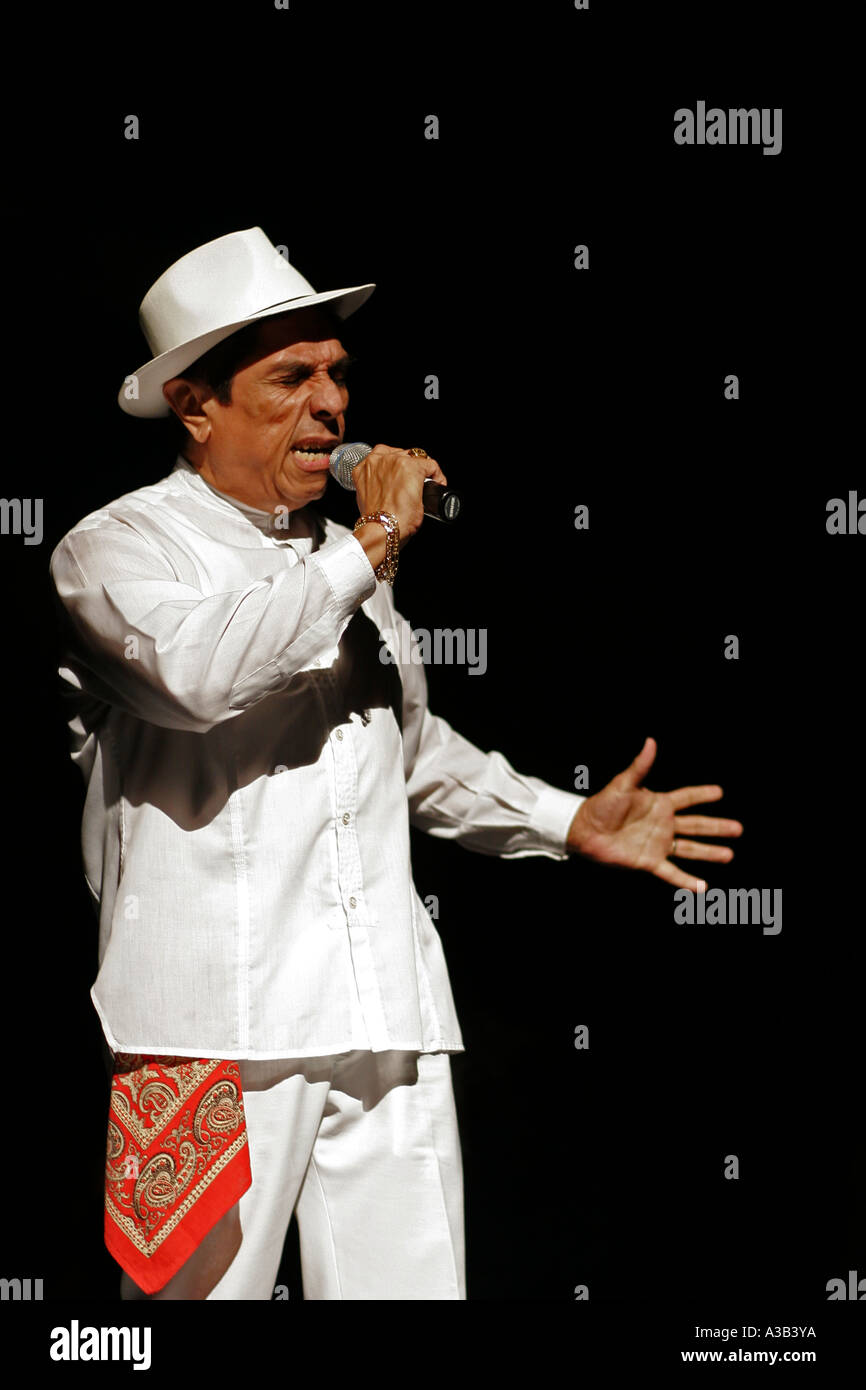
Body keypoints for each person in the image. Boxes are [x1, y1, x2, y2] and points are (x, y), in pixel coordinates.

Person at [49, 228, 743, 1301]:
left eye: (337, 374)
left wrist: (563, 820)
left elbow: (399, 749)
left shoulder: (340, 563)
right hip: (199, 1034)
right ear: (195, 406)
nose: (331, 404)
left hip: (382, 1016)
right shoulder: (117, 548)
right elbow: (194, 677)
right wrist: (367, 542)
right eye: (291, 377)